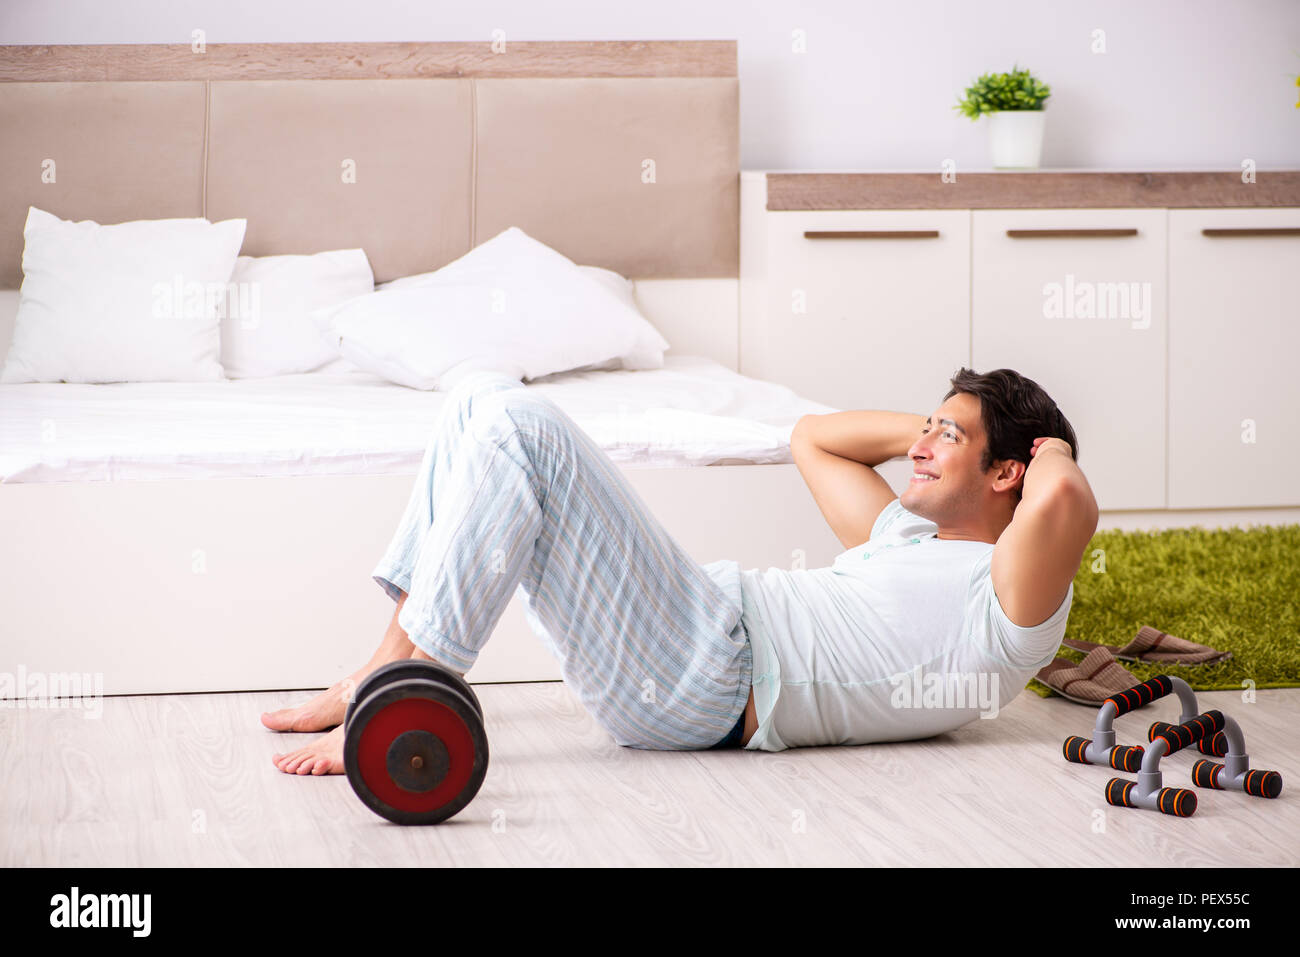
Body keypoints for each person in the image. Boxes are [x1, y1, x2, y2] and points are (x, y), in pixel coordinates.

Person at [263, 366, 1097, 771]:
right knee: (480, 397)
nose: (917, 447)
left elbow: (1066, 503)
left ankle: (412, 704)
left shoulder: (1009, 600)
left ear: (1008, 473)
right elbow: (813, 435)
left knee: (522, 424)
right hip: (699, 635)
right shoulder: (905, 538)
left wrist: (1046, 438)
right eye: (926, 429)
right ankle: (384, 669)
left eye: (947, 439)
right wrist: (943, 424)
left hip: (718, 675)